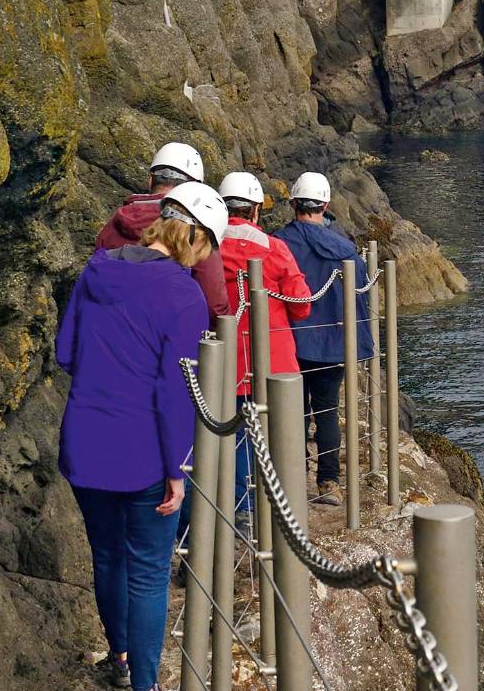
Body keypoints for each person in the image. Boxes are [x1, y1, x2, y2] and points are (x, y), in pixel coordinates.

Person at [56, 181, 228, 691]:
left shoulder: (96, 269)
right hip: (145, 453)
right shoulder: (183, 294)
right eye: (207, 248)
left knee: (106, 555)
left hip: (85, 439)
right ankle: (145, 684)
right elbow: (174, 393)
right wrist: (177, 471)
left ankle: (119, 654)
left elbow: (67, 352)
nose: (204, 260)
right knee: (150, 571)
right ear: (194, 236)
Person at [214, 171, 311, 515]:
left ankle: (240, 507)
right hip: (274, 359)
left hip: (224, 360)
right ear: (256, 210)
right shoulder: (275, 249)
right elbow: (302, 306)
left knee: (234, 435)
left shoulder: (207, 248)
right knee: (272, 434)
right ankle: (276, 508)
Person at [273, 171, 372, 506]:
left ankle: (293, 480)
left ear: (293, 203)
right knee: (327, 410)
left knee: (294, 411)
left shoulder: (279, 243)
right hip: (333, 344)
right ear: (325, 205)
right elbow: (361, 301)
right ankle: (328, 482)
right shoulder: (347, 249)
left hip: (291, 341)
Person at [95, 142, 229, 318]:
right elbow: (214, 304)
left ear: (150, 180)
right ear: (196, 189)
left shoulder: (113, 224)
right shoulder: (195, 228)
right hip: (168, 330)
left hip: (107, 328)